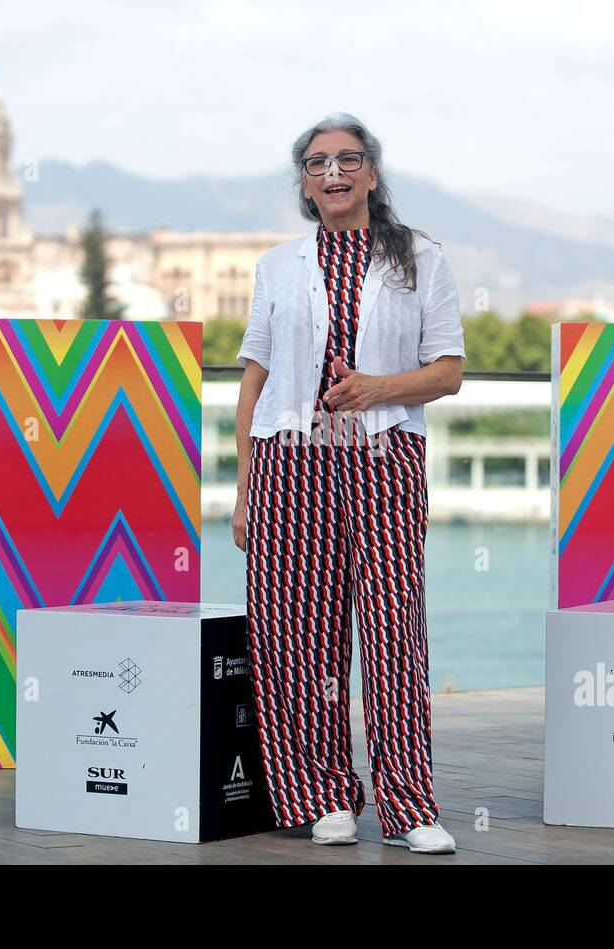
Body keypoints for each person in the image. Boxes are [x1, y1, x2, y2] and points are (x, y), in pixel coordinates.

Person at [232, 112, 465, 854]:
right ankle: (322, 793)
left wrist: (376, 389)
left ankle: (408, 805)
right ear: (304, 182)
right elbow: (256, 380)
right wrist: (243, 489)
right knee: (296, 635)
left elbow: (448, 372)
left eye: (347, 159)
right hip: (288, 464)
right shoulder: (277, 266)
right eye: (317, 162)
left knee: (395, 629)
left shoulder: (421, 259)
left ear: (371, 172)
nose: (332, 172)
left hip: (384, 459)